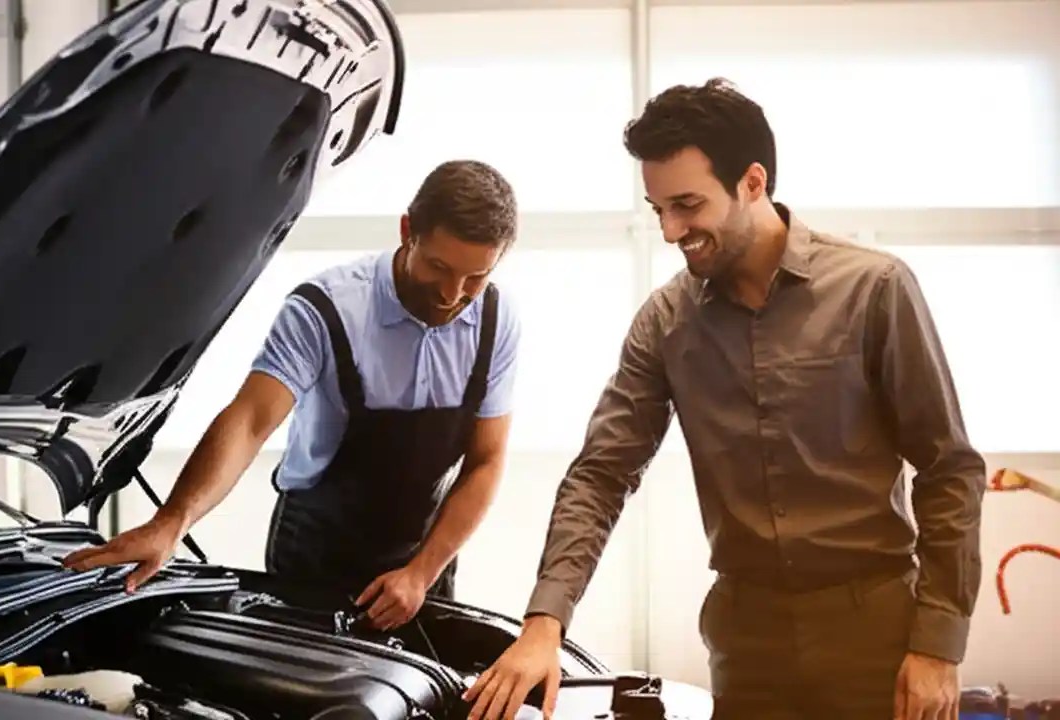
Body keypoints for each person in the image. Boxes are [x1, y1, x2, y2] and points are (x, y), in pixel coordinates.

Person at [462, 78, 985, 720]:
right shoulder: (665, 322)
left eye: (687, 204)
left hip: (873, 632)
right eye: (658, 210)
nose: (671, 230)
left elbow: (948, 469)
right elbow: (601, 475)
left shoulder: (874, 289)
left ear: (753, 182)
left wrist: (939, 645)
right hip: (747, 640)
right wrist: (544, 623)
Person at [64, 159, 522, 631]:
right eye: (438, 267)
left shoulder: (495, 321)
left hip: (424, 556)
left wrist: (423, 572)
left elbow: (486, 460)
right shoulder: (325, 309)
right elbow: (251, 420)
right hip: (317, 553)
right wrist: (171, 523)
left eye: (474, 278)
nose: (452, 294)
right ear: (408, 231)